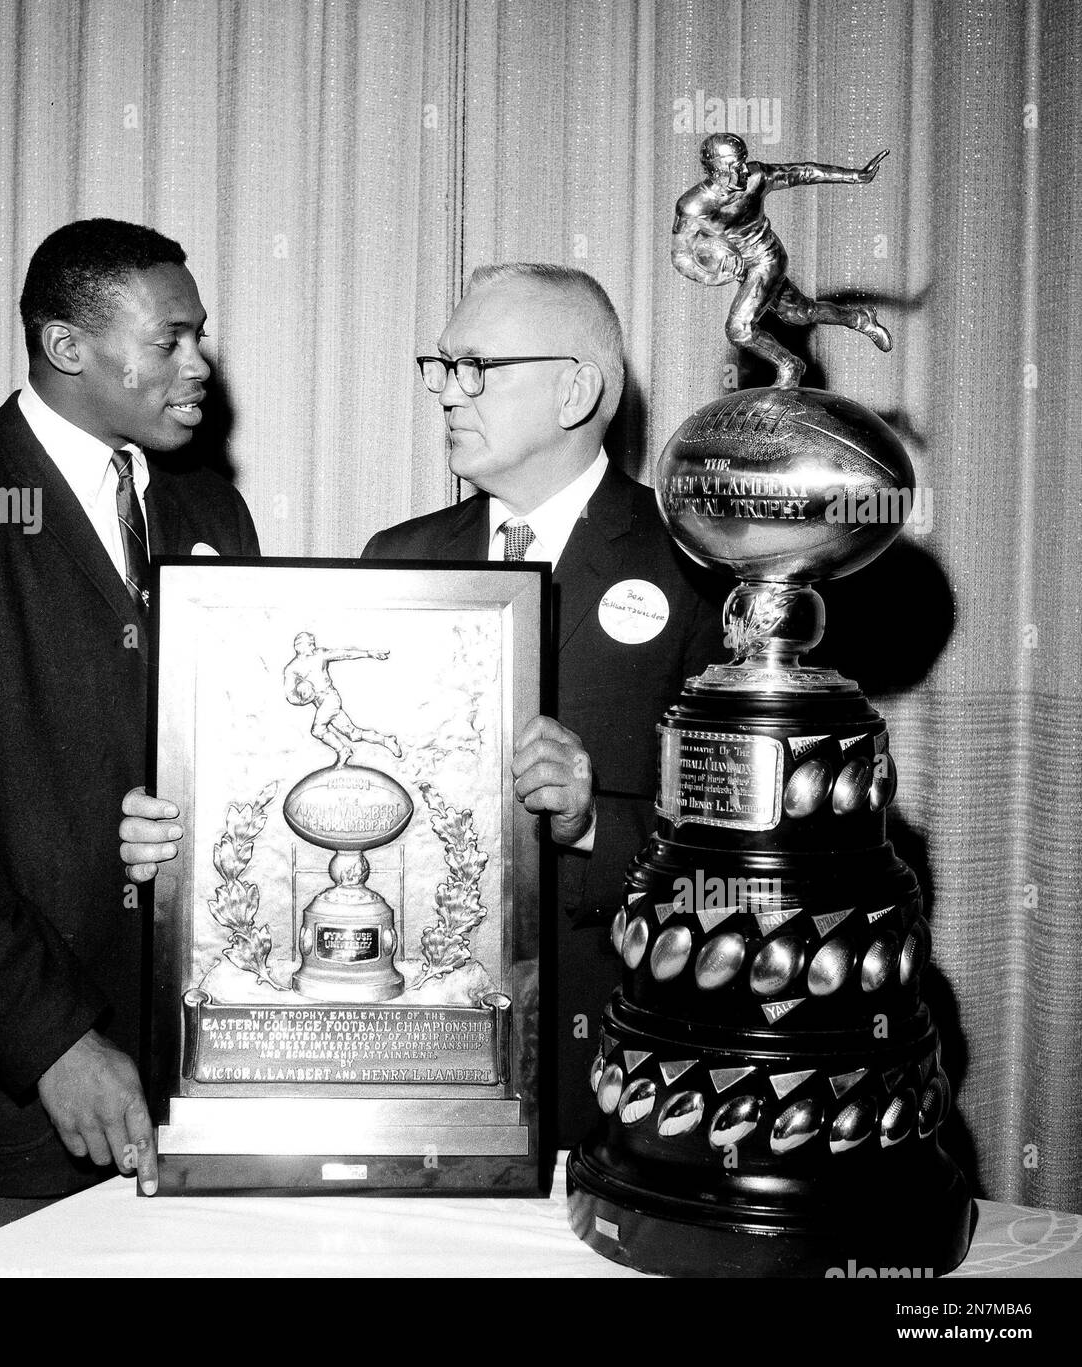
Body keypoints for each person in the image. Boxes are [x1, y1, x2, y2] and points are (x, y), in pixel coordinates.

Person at [121, 263, 723, 1146]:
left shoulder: (699, 565)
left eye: (477, 366)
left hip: (621, 1066)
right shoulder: (399, 555)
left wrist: (593, 823)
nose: (447, 392)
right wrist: (186, 832)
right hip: (419, 1061)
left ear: (576, 388)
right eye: (440, 366)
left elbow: (749, 852)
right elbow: (340, 784)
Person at [0, 218, 260, 1255]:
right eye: (171, 340)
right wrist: (54, 1041)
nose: (200, 365)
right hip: (22, 1104)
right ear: (67, 348)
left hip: (211, 1087)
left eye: (198, 335)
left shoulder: (214, 510)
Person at [671, 133, 891, 387]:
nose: (744, 169)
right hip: (746, 271)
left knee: (739, 329)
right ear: (717, 169)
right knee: (801, 313)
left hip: (768, 257)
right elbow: (681, 256)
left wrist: (855, 175)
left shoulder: (756, 178)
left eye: (744, 161)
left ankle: (790, 364)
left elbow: (801, 173)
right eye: (735, 165)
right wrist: (712, 276)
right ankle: (860, 319)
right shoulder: (692, 207)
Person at [283, 632, 402, 763]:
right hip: (319, 703)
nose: (313, 646)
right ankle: (386, 740)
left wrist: (368, 653)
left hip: (330, 698)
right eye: (310, 644)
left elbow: (345, 654)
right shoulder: (291, 669)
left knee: (317, 730)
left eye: (313, 644)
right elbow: (290, 695)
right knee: (353, 734)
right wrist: (303, 697)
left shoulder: (320, 655)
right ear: (299, 646)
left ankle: (343, 750)